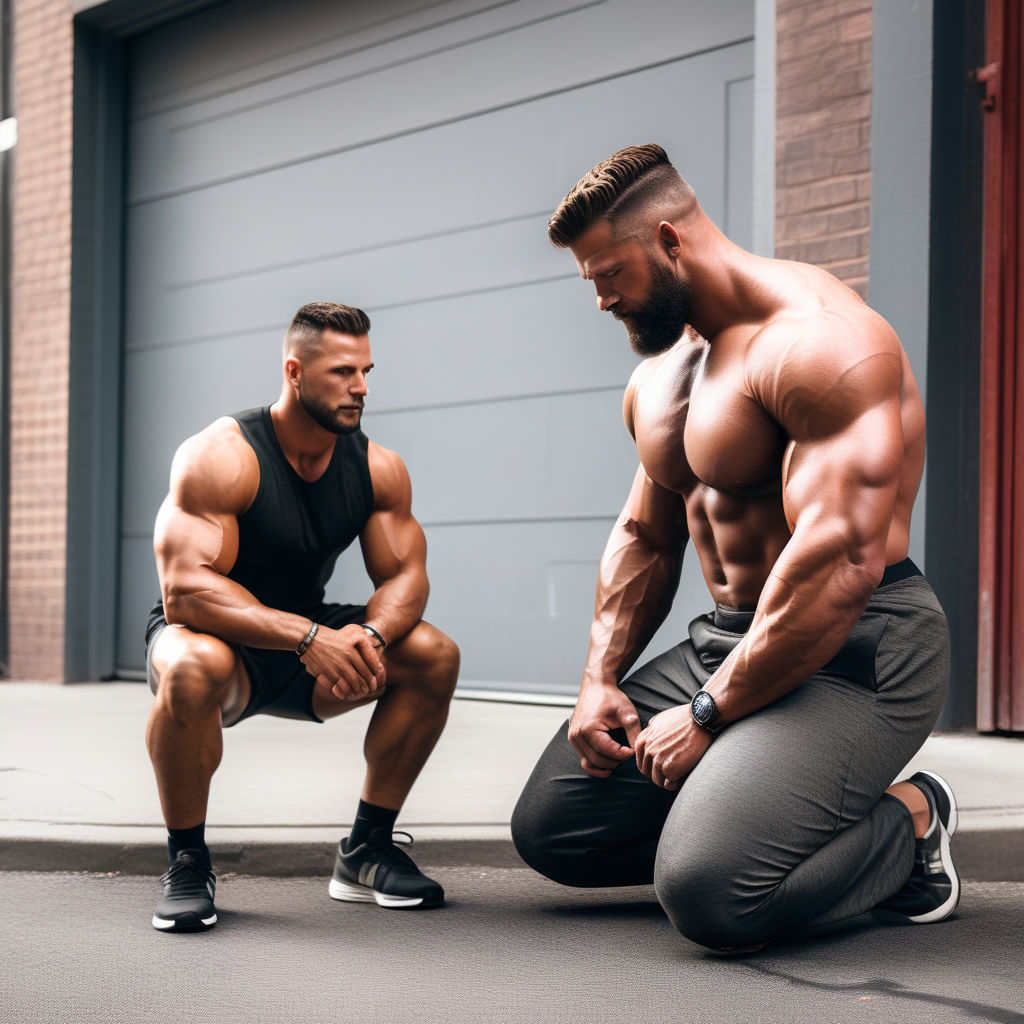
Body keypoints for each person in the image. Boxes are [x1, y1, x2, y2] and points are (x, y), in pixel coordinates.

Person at [511, 144, 958, 952]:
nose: (602, 300)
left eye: (611, 274)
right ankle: (748, 810)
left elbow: (840, 566)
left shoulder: (824, 344)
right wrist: (597, 679)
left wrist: (708, 715)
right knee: (556, 830)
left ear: (670, 241)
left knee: (712, 896)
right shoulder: (660, 374)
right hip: (728, 634)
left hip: (858, 648)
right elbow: (646, 534)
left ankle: (913, 819)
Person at [145, 301, 459, 932]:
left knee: (431, 652)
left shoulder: (376, 468)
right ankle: (187, 860)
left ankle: (367, 849)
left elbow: (403, 576)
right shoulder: (220, 456)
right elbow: (186, 591)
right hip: (219, 641)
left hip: (307, 637)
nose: (361, 388)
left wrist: (367, 638)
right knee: (189, 664)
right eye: (343, 372)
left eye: (367, 371)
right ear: (294, 371)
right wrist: (308, 637)